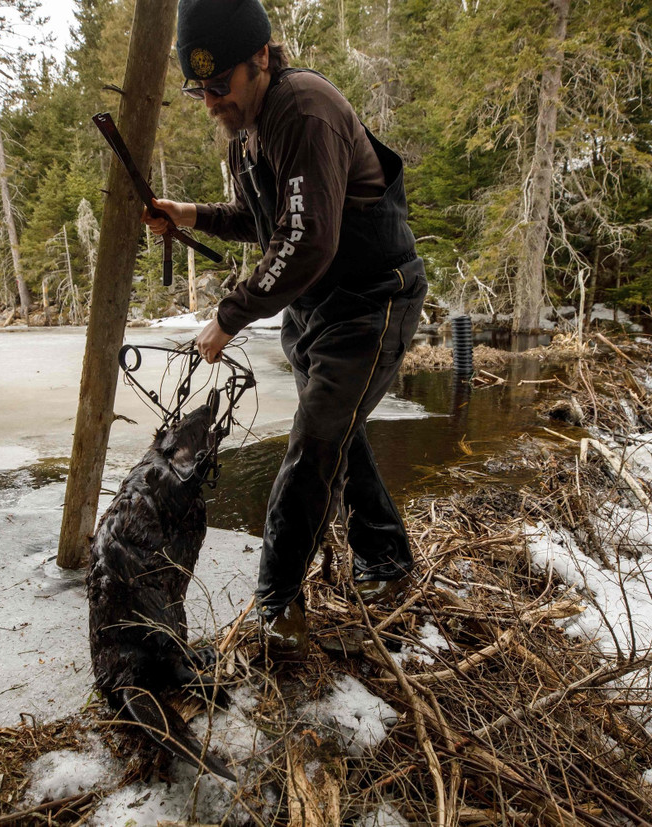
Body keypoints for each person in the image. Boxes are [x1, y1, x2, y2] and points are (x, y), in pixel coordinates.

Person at [142, 0, 427, 656]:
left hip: (372, 303)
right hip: (317, 312)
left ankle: (274, 607)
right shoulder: (249, 129)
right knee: (339, 437)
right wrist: (190, 214)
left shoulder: (302, 111)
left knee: (313, 448)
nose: (212, 101)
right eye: (199, 89)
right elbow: (261, 218)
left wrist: (227, 315)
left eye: (221, 85)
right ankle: (385, 556)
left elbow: (306, 241)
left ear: (262, 58)